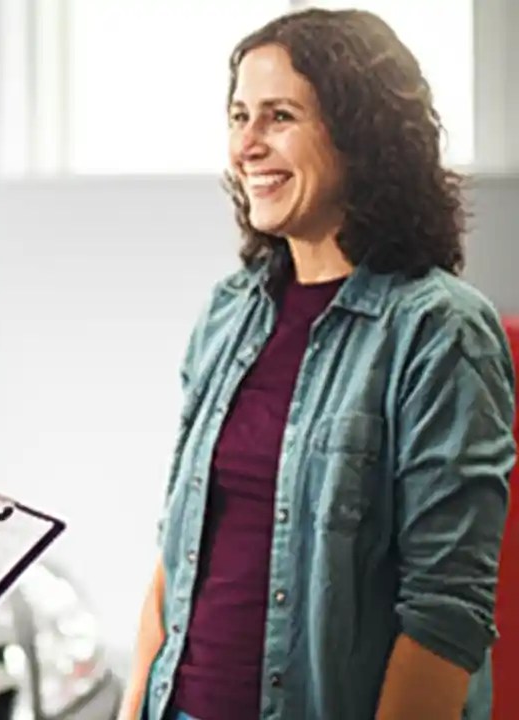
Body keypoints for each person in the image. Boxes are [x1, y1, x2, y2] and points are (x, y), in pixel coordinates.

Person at [117, 8, 516, 720]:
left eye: (279, 116)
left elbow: (444, 616)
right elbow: (175, 559)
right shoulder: (228, 313)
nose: (247, 144)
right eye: (239, 116)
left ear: (361, 136)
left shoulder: (439, 331)